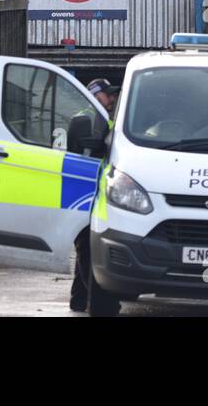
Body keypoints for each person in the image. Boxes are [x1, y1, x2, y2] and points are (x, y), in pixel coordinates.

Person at [71, 78, 119, 313]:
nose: (111, 100)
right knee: (87, 249)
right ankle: (95, 301)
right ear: (93, 95)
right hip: (85, 191)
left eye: (111, 96)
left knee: (86, 248)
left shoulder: (102, 119)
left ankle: (78, 299)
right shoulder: (84, 120)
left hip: (97, 190)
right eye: (106, 95)